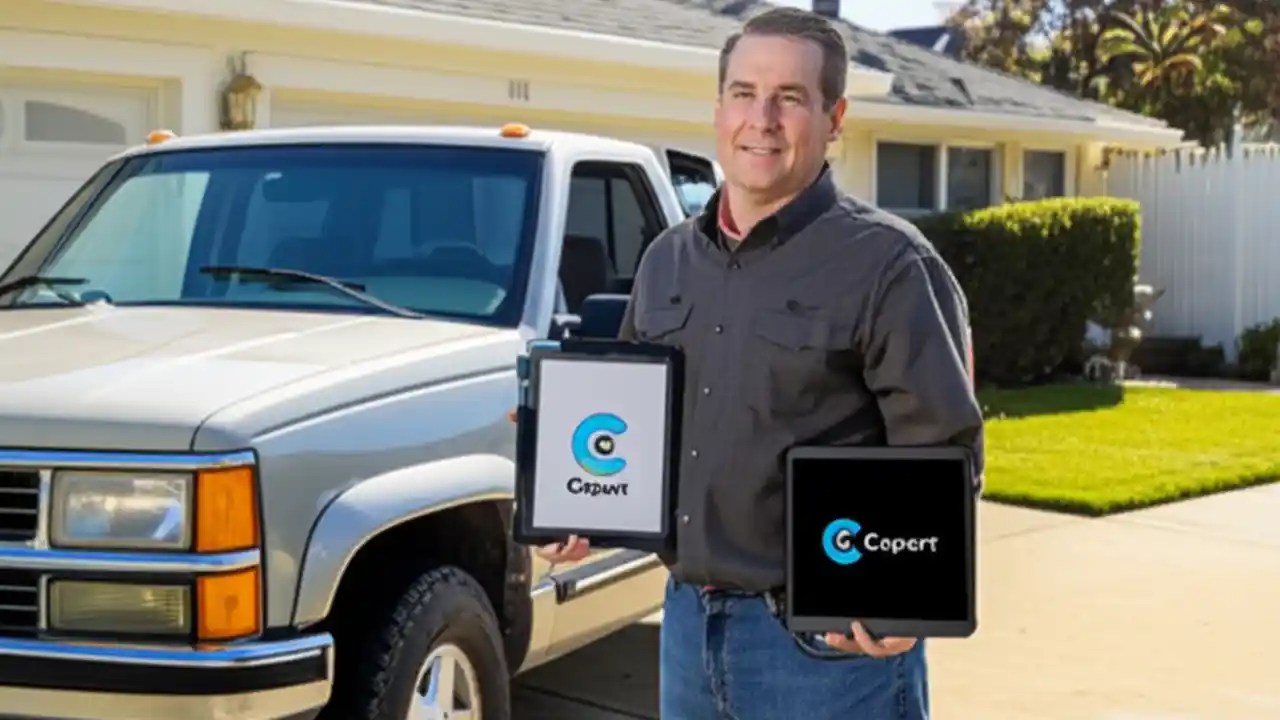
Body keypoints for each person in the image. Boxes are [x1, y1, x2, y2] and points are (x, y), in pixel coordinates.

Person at [534, 6, 984, 719]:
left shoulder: (888, 266)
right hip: (686, 629)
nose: (762, 118)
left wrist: (910, 597)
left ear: (834, 118)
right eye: (744, 93)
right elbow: (628, 424)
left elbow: (943, 447)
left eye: (790, 98)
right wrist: (568, 484)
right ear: (718, 110)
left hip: (824, 651)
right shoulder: (666, 261)